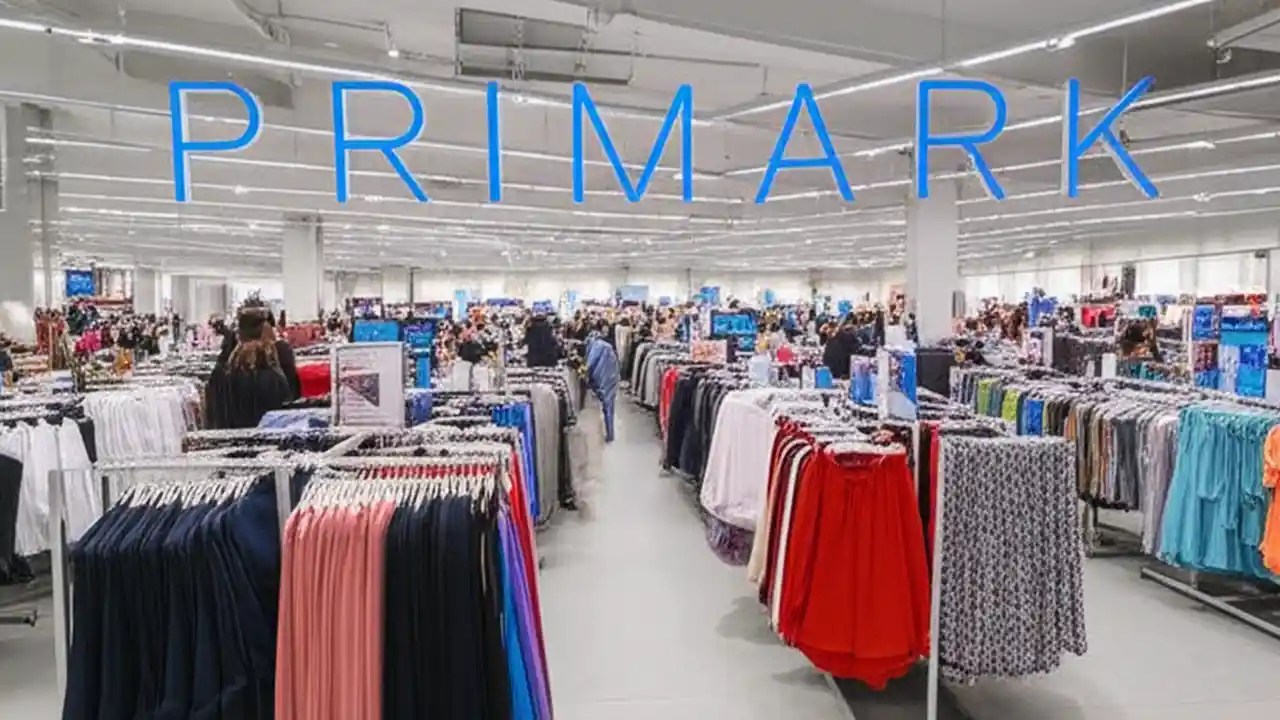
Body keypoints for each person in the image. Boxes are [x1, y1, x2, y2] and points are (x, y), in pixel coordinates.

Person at [205, 308, 294, 429]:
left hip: (227, 440)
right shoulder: (273, 370)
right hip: (267, 439)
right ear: (266, 333)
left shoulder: (223, 372)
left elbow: (214, 416)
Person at [586, 330, 620, 442]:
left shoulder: (596, 346)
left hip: (604, 379)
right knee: (610, 406)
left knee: (606, 405)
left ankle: (610, 434)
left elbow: (589, 364)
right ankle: (610, 433)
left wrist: (583, 373)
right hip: (613, 377)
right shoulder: (607, 346)